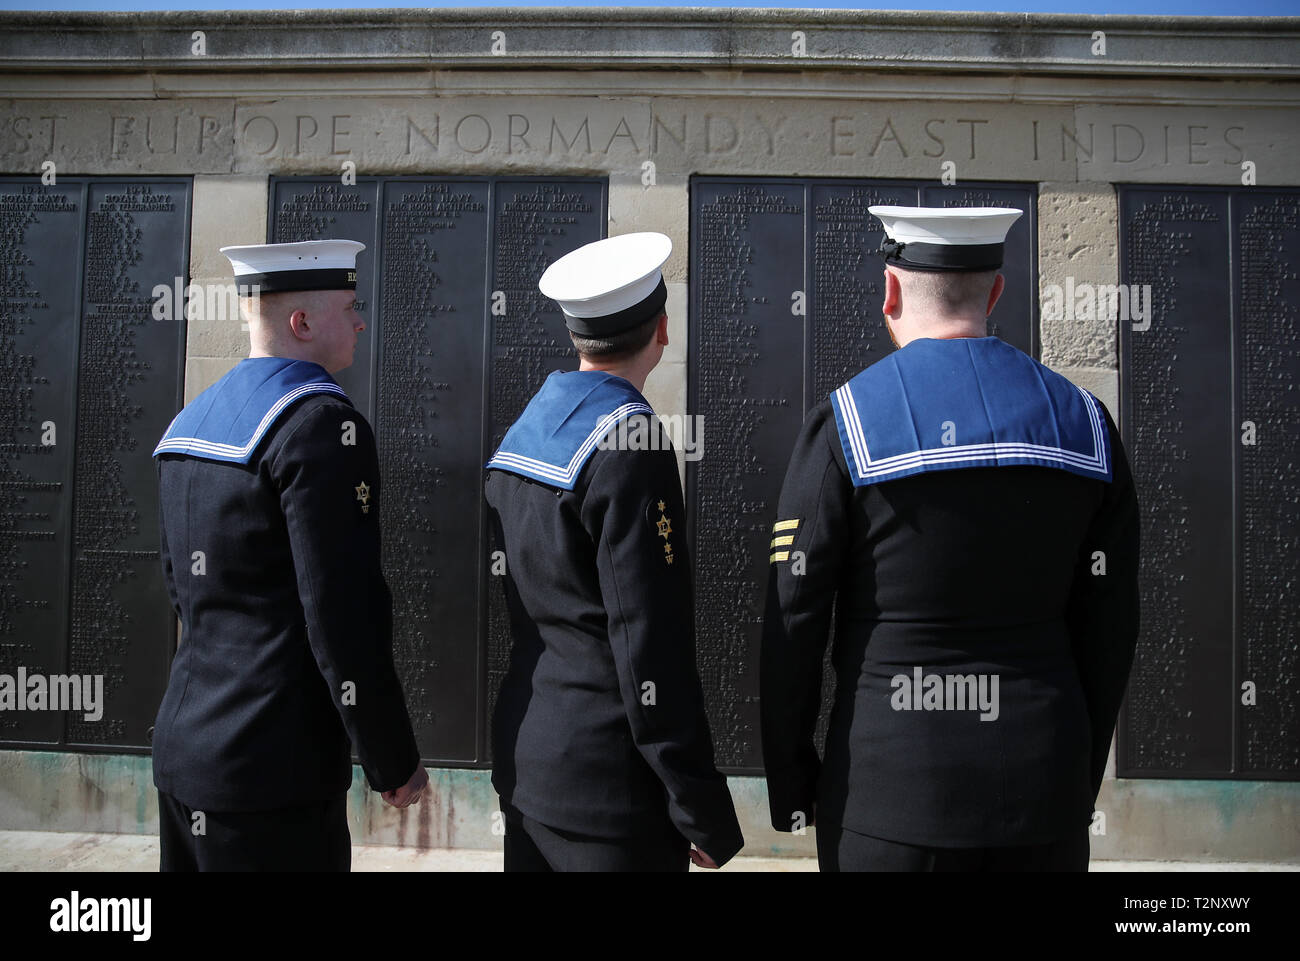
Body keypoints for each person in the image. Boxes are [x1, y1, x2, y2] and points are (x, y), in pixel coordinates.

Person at [760, 206, 1140, 872]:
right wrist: (1074, 774)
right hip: (1042, 797)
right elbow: (1111, 630)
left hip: (885, 805)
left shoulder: (845, 423)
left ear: (891, 291)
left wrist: (794, 785)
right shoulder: (1086, 424)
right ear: (996, 291)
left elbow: (793, 622)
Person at [150, 239, 427, 872]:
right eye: (350, 306)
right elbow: (340, 613)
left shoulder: (189, 421)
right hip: (274, 772)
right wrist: (391, 758)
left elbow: (181, 589)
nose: (361, 320)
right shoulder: (321, 426)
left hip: (186, 752)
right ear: (301, 323)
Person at [484, 232, 744, 872]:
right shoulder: (632, 442)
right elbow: (646, 644)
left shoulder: (527, 428)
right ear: (662, 327)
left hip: (532, 757)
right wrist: (698, 805)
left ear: (578, 335)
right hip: (610, 790)